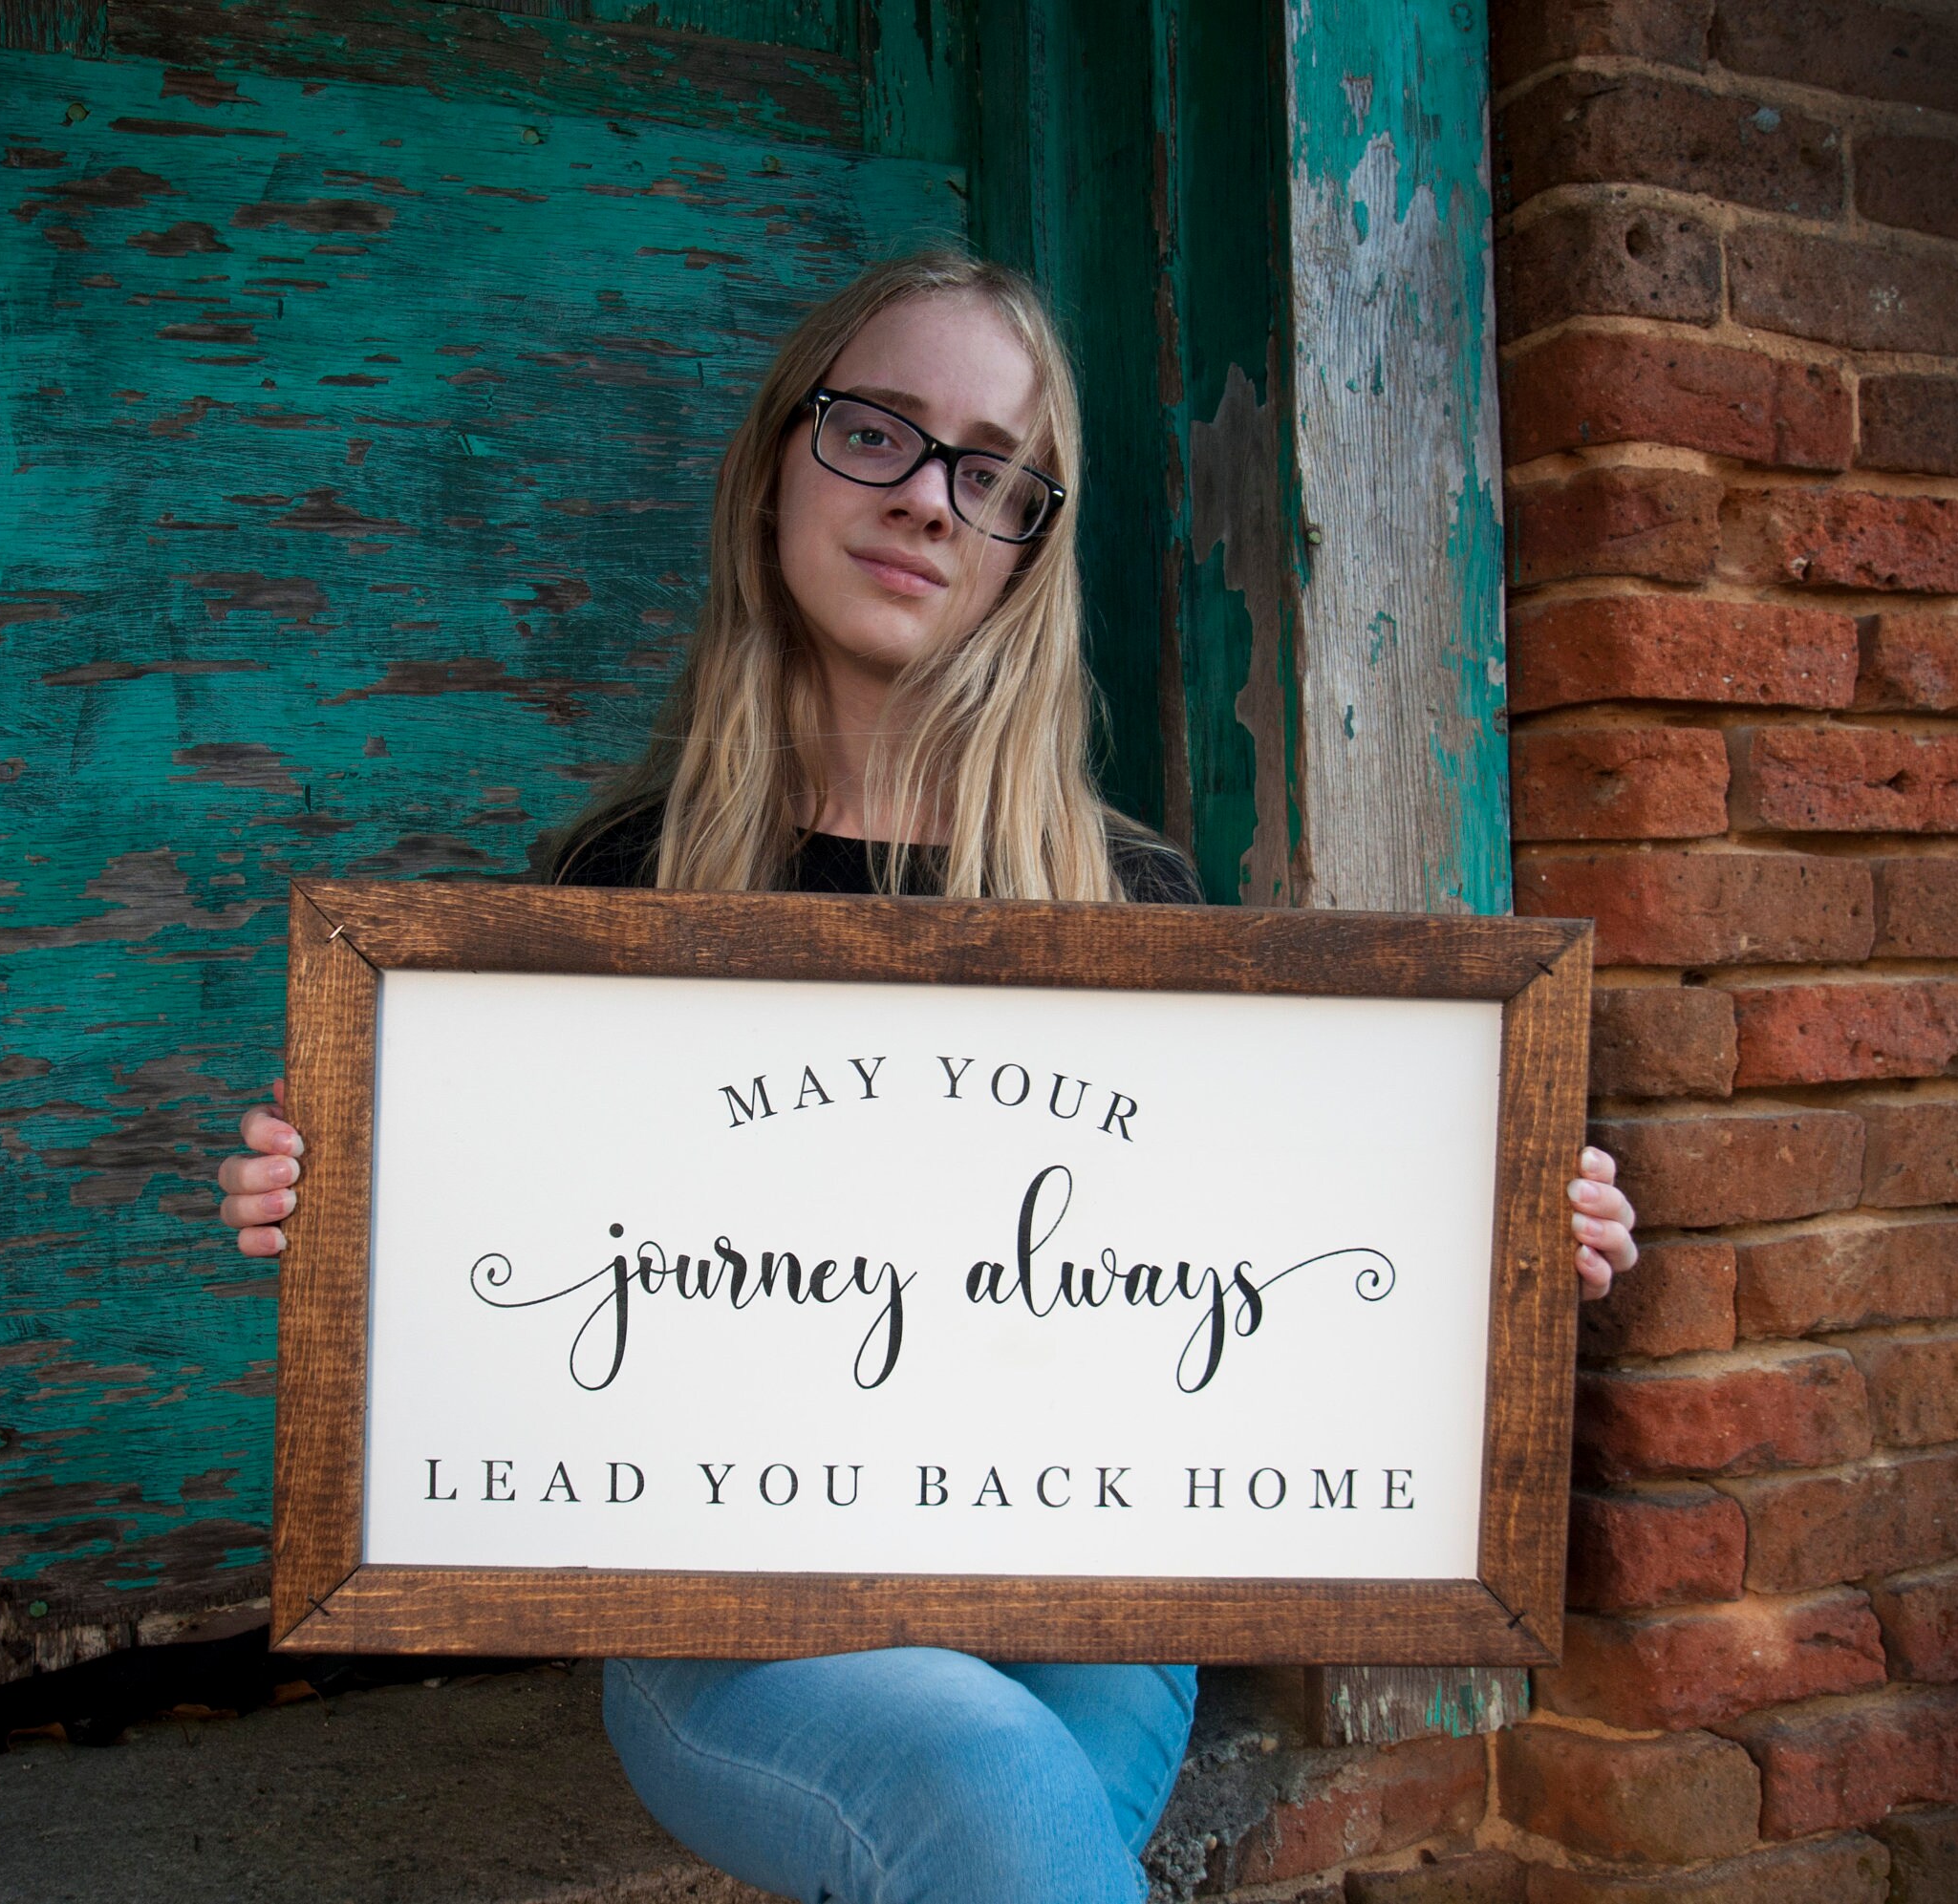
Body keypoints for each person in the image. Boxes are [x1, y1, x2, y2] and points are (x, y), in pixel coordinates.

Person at [213, 251, 1640, 1904]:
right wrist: (346, 1206)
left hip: (1091, 1595)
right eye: (877, 431)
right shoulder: (618, 889)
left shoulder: (1131, 906)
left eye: (993, 471)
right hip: (726, 1613)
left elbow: (1278, 1282)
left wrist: (1501, 1240)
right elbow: (505, 1283)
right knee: (986, 1785)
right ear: (778, 461)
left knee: (1002, 1808)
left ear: (1030, 547)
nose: (926, 500)